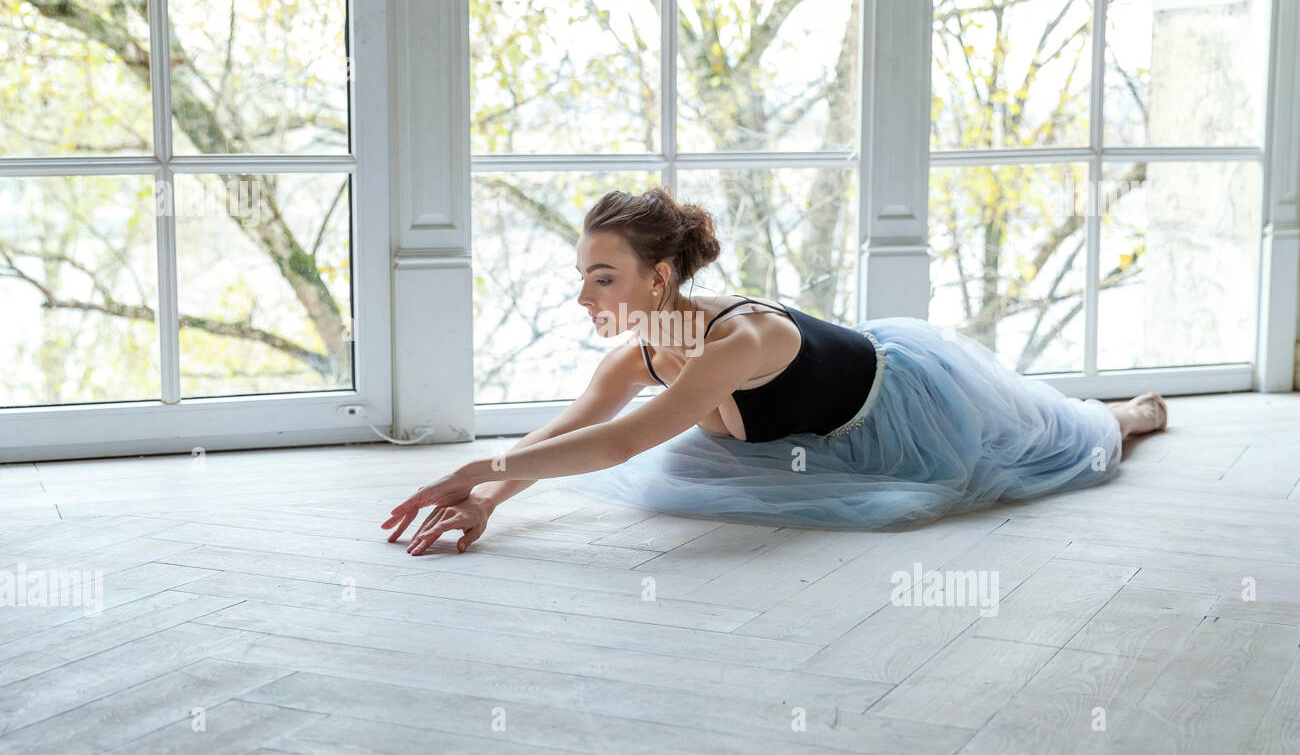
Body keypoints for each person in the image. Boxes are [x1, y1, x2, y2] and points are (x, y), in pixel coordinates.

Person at [381, 187, 1167, 553]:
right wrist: (485, 498)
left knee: (1061, 442)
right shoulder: (638, 351)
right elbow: (577, 429)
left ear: (658, 278)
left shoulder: (740, 341)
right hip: (792, 428)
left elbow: (621, 447)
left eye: (603, 277)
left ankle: (1129, 413)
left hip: (897, 402)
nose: (583, 295)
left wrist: (475, 462)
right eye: (584, 275)